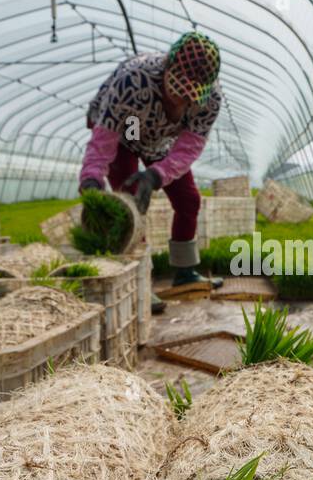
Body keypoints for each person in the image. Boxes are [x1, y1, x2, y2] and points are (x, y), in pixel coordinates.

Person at [79, 31, 226, 305]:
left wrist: (157, 174)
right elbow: (103, 139)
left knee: (188, 200)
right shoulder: (133, 79)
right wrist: (91, 180)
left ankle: (184, 271)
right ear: (166, 70)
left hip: (161, 139)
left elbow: (189, 147)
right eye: (176, 92)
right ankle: (141, 282)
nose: (180, 102)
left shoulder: (211, 100)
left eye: (189, 98)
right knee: (134, 203)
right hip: (128, 129)